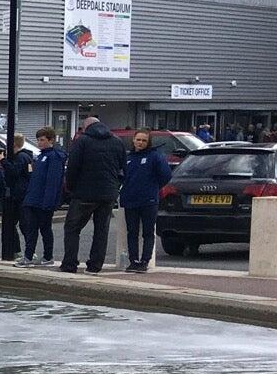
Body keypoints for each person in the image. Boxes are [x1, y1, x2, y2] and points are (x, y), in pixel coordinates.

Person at [59, 114, 124, 274]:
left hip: (84, 193)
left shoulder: (82, 141)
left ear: (85, 127)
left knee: (72, 228)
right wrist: (116, 186)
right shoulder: (117, 141)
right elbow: (123, 167)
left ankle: (70, 264)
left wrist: (71, 189)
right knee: (101, 230)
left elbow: (72, 167)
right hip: (108, 193)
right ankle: (95, 265)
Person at [120, 129, 171, 273]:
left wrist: (153, 187)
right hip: (130, 200)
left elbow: (166, 175)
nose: (140, 143)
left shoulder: (155, 157)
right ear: (133, 140)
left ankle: (144, 261)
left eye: (144, 140)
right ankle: (134, 260)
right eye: (138, 140)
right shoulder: (128, 158)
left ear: (148, 142)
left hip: (148, 201)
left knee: (148, 233)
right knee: (132, 232)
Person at [15, 127, 64, 266]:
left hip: (42, 201)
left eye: (42, 140)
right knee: (32, 229)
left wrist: (49, 201)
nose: (39, 142)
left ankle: (46, 256)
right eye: (38, 140)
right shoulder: (41, 156)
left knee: (44, 229)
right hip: (34, 198)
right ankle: (30, 256)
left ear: (51, 140)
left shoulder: (53, 157)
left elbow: (52, 181)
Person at [0, 133, 32, 263]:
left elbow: (14, 171)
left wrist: (2, 160)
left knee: (23, 224)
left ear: (13, 144)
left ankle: (28, 252)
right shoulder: (26, 156)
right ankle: (17, 250)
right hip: (19, 194)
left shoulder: (21, 157)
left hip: (20, 195)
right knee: (12, 224)